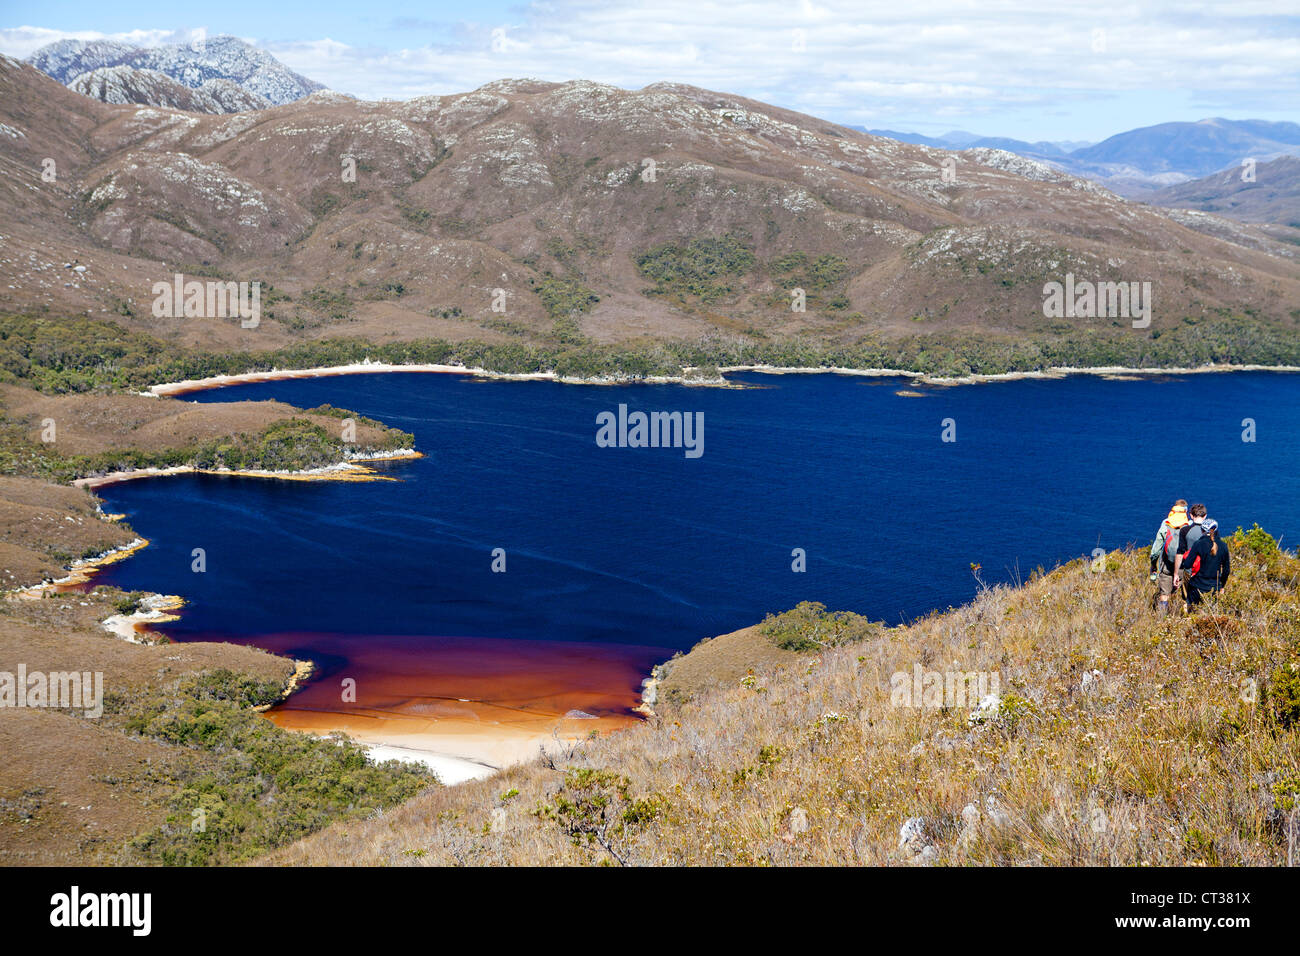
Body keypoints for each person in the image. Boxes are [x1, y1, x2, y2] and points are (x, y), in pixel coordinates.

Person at [1178, 518, 1230, 608]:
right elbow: (1226, 570)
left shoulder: (1198, 544)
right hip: (1215, 587)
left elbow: (1187, 565)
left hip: (1197, 586)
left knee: (1193, 611)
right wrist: (1221, 585)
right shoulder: (1223, 545)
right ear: (1216, 530)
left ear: (1202, 530)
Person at [1149, 499, 1188, 617]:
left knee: (1164, 594)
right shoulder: (1188, 525)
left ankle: (1162, 619)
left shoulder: (1166, 523)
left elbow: (1156, 550)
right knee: (1185, 595)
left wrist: (1153, 565)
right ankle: (1185, 620)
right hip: (1183, 565)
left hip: (1167, 564)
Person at [1172, 503, 1208, 609]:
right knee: (1204, 599)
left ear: (1191, 516)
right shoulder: (1210, 532)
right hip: (1206, 571)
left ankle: (1188, 619)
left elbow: (1180, 553)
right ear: (1205, 516)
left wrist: (1176, 574)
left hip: (1189, 570)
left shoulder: (1185, 530)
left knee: (1187, 598)